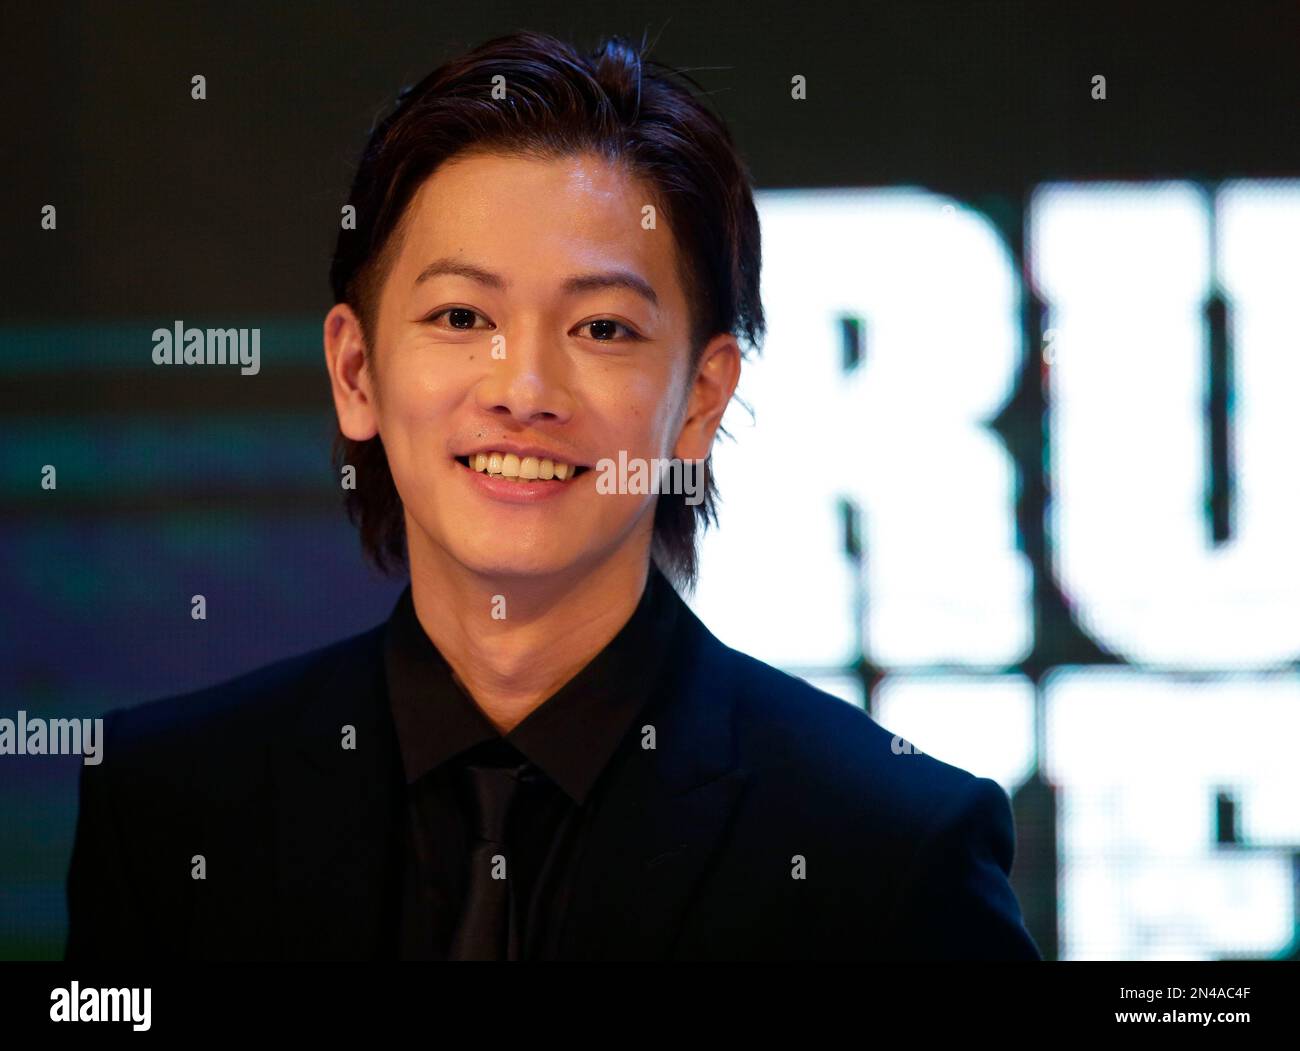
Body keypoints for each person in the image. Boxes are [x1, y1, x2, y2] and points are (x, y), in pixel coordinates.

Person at [64, 29, 1040, 961]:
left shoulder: (886, 845)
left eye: (602, 328)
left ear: (701, 399)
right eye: (460, 315)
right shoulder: (170, 806)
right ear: (356, 370)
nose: (523, 390)